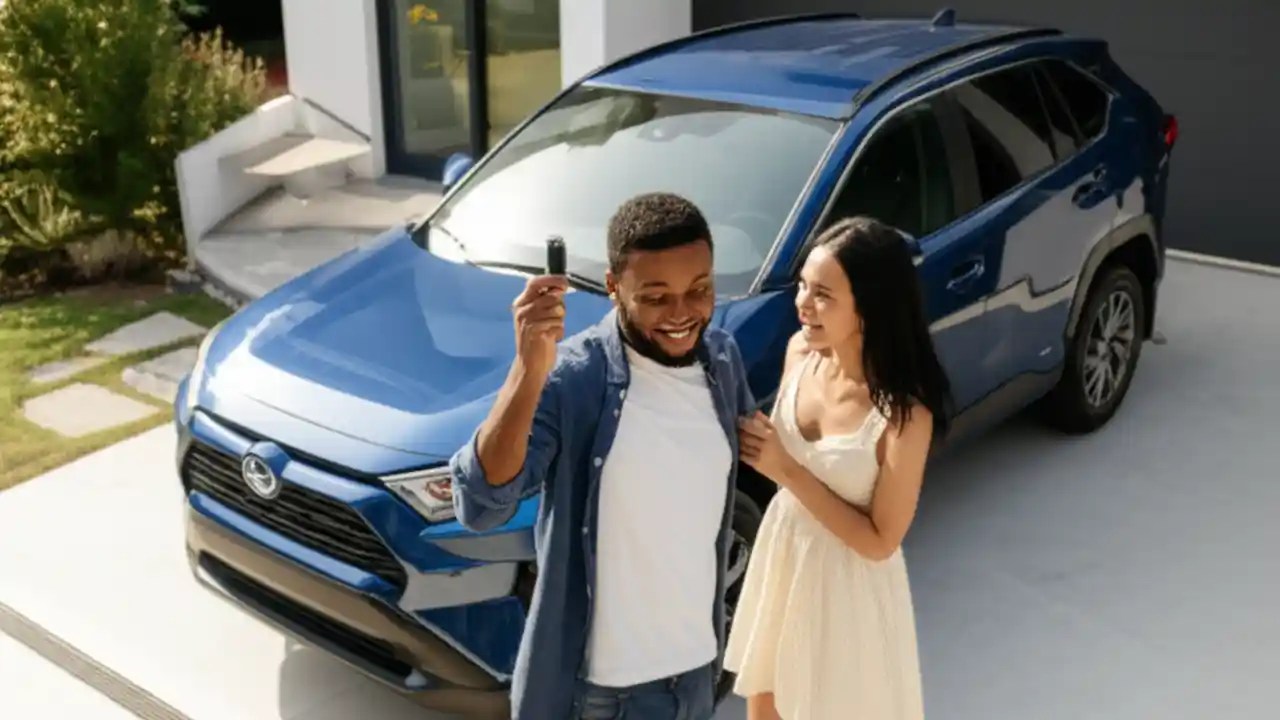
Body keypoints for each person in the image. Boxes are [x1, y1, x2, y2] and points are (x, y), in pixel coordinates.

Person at [450, 192, 756, 720]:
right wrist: (528, 370)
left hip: (697, 676)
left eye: (699, 290)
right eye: (657, 298)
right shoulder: (574, 380)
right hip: (603, 698)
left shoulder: (722, 360)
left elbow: (763, 458)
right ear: (615, 288)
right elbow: (481, 506)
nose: (683, 314)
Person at [723, 216, 952, 720]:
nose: (802, 302)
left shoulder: (903, 414)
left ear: (869, 307)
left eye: (823, 293)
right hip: (785, 553)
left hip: (848, 586)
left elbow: (880, 540)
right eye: (802, 285)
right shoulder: (799, 352)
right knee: (764, 709)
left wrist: (786, 470)